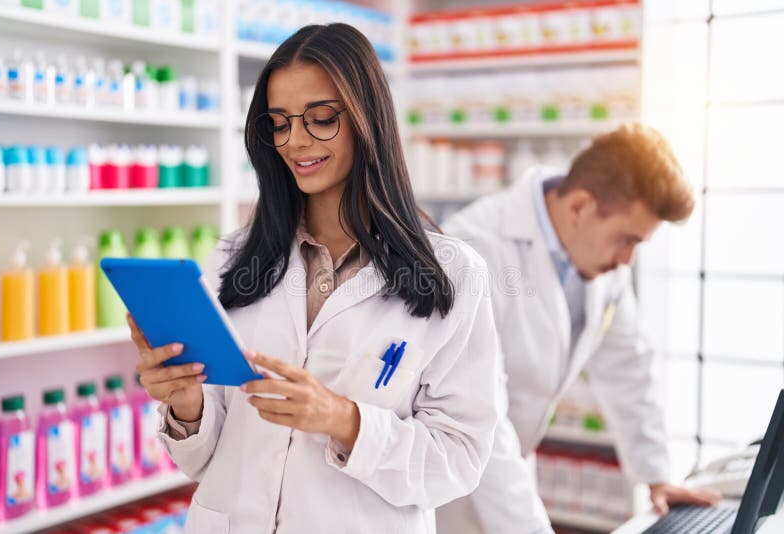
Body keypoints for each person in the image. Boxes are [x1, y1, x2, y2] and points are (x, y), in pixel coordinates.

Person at [129, 23, 501, 534]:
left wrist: (343, 420)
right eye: (279, 123)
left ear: (367, 117)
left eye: (321, 119)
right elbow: (202, 460)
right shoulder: (235, 260)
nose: (295, 141)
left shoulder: (452, 275)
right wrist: (185, 403)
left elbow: (460, 460)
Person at [439, 124, 722, 533]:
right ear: (579, 207)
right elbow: (481, 417)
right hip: (453, 488)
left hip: (509, 468)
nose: (627, 260)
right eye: (626, 239)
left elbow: (627, 366)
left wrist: (657, 476)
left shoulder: (598, 257)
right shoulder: (474, 250)